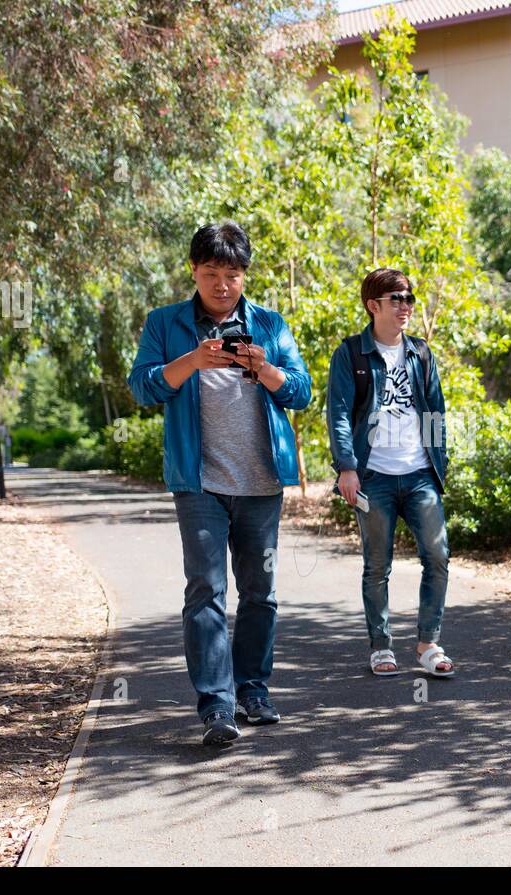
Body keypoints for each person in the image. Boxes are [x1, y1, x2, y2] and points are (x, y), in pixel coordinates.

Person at [127, 220, 311, 745]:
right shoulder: (165, 324)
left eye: (232, 274)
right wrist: (192, 360)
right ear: (193, 271)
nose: (223, 284)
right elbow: (142, 387)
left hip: (260, 481)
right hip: (198, 482)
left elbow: (300, 392)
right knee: (205, 591)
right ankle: (216, 707)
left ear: (244, 276)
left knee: (260, 593)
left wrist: (265, 367)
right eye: (212, 273)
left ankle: (253, 689)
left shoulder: (270, 325)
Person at [327, 268, 454, 678]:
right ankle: (381, 645)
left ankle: (428, 643)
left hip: (419, 474)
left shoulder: (421, 352)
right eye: (396, 298)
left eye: (409, 298)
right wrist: (347, 468)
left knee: (437, 556)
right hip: (374, 476)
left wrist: (440, 464)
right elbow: (340, 416)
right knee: (376, 565)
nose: (405, 306)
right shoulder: (351, 354)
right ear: (373, 305)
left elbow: (435, 411)